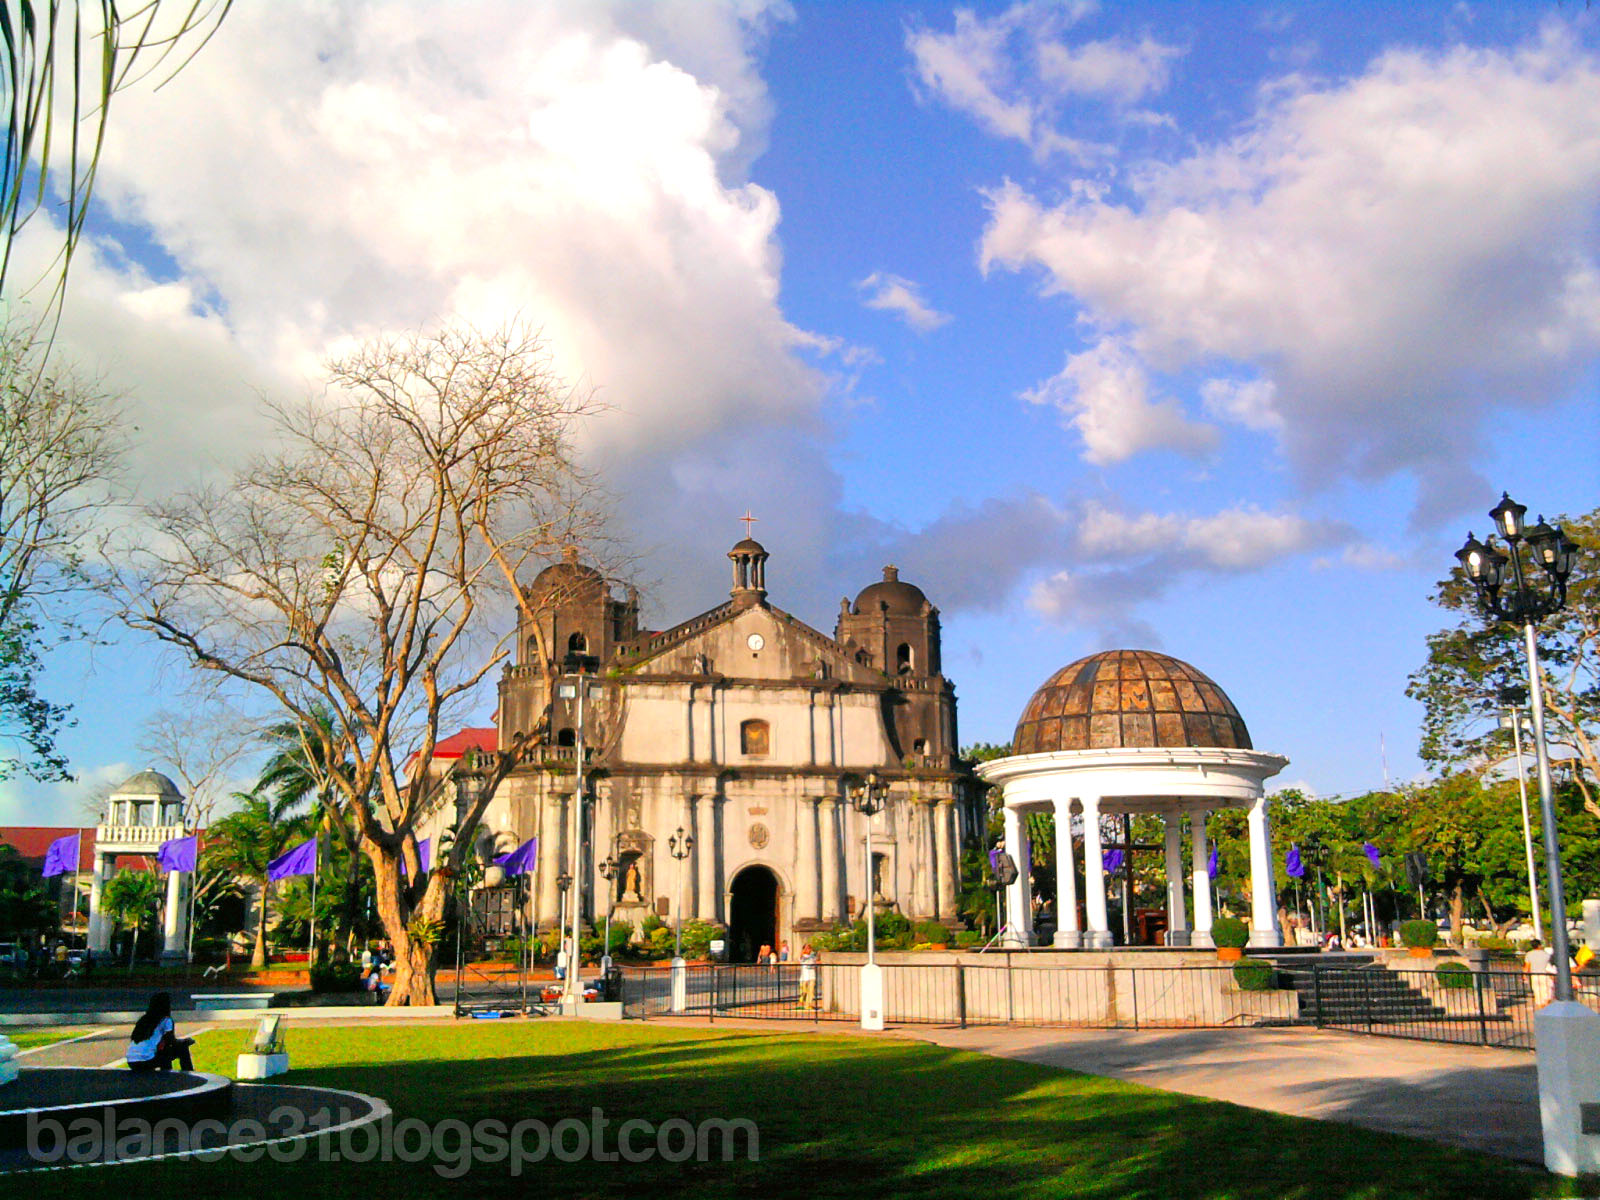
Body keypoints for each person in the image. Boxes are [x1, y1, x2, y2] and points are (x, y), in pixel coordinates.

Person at [126, 992, 194, 1073]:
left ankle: (166, 1072)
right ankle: (188, 1074)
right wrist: (185, 1042)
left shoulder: (143, 1020)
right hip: (146, 1061)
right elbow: (171, 1041)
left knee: (163, 1050)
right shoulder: (166, 1020)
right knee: (182, 1048)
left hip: (131, 1062)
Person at [797, 943, 818, 1010]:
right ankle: (802, 1000)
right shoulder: (803, 956)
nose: (807, 949)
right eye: (806, 948)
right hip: (804, 977)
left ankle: (808, 1005)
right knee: (804, 991)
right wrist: (803, 951)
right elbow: (800, 958)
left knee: (811, 992)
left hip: (812, 976)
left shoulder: (813, 956)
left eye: (809, 948)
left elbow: (816, 960)